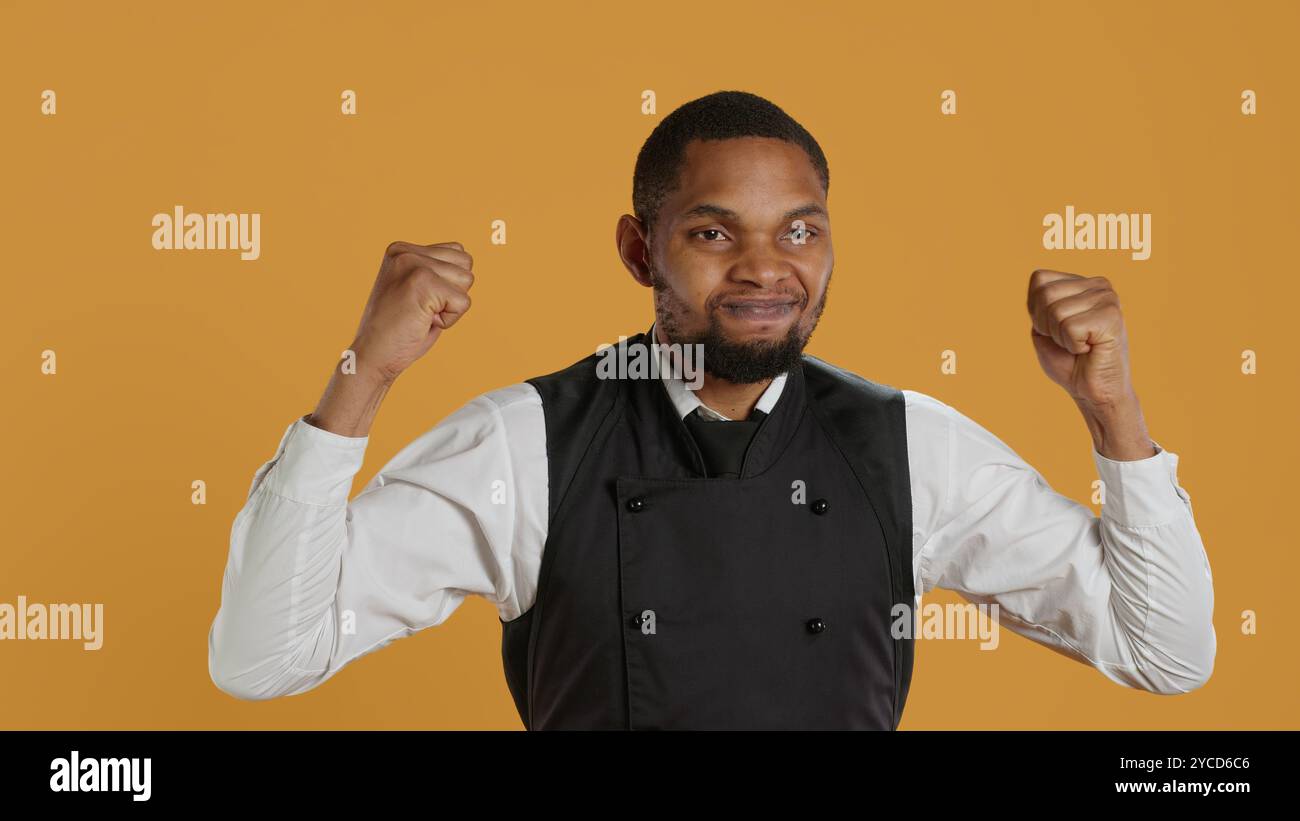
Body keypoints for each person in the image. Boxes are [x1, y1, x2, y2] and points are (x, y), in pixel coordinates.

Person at [207, 90, 1215, 730]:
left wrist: (1113, 414)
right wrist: (364, 376)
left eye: (799, 231)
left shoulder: (908, 446)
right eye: (712, 231)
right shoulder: (526, 441)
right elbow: (262, 657)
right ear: (639, 251)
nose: (766, 267)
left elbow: (1161, 652)